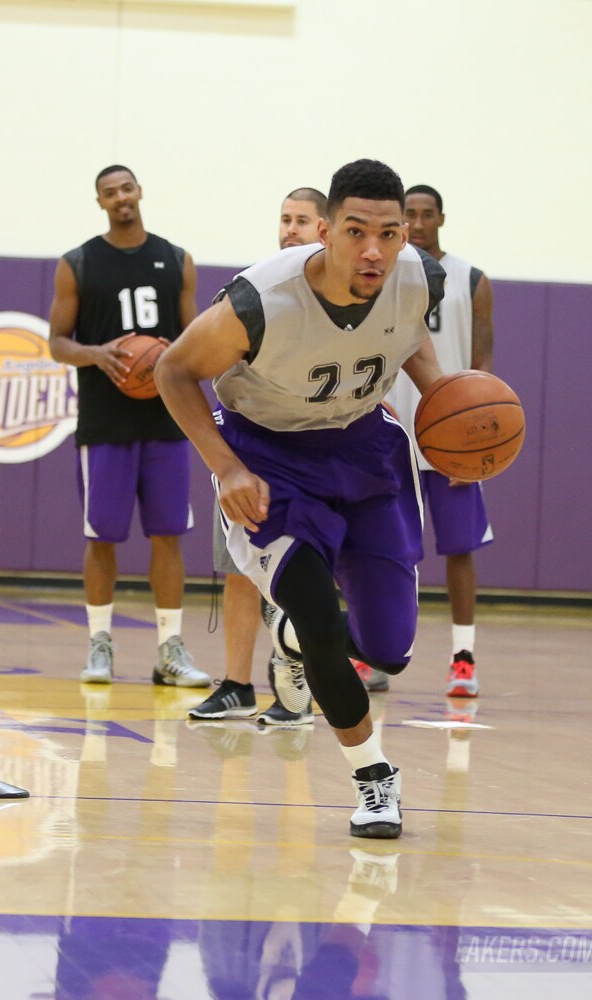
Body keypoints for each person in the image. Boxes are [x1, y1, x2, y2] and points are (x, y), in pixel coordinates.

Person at [155, 159, 448, 839]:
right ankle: (374, 778)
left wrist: (446, 401)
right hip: (271, 460)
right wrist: (225, 468)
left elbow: (408, 341)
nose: (373, 250)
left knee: (388, 648)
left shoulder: (415, 277)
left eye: (389, 233)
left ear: (406, 234)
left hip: (365, 450)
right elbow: (173, 369)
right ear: (324, 230)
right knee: (320, 616)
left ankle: (292, 635)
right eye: (355, 231)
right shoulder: (262, 300)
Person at [48, 165, 209, 688]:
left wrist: (167, 357)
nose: (121, 198)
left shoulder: (175, 260)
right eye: (110, 192)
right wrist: (96, 354)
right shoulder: (78, 264)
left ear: (140, 193)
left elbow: (191, 336)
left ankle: (170, 649)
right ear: (99, 202)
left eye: (127, 189)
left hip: (166, 418)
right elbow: (57, 342)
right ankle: (100, 644)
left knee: (168, 536)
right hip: (105, 423)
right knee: (102, 538)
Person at [191, 187, 327, 725]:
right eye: (284, 219)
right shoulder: (253, 288)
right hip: (248, 444)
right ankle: (237, 686)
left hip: (309, 449)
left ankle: (296, 678)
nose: (289, 229)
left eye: (302, 220)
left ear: (325, 230)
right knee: (239, 569)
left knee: (303, 573)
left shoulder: (341, 299)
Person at [384, 184, 495, 698]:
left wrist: (473, 444)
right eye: (411, 214)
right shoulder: (382, 271)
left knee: (459, 550)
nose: (420, 222)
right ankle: (378, 654)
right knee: (388, 551)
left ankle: (463, 658)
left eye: (428, 214)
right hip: (390, 440)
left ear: (442, 219)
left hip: (451, 441)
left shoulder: (471, 279)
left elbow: (482, 370)